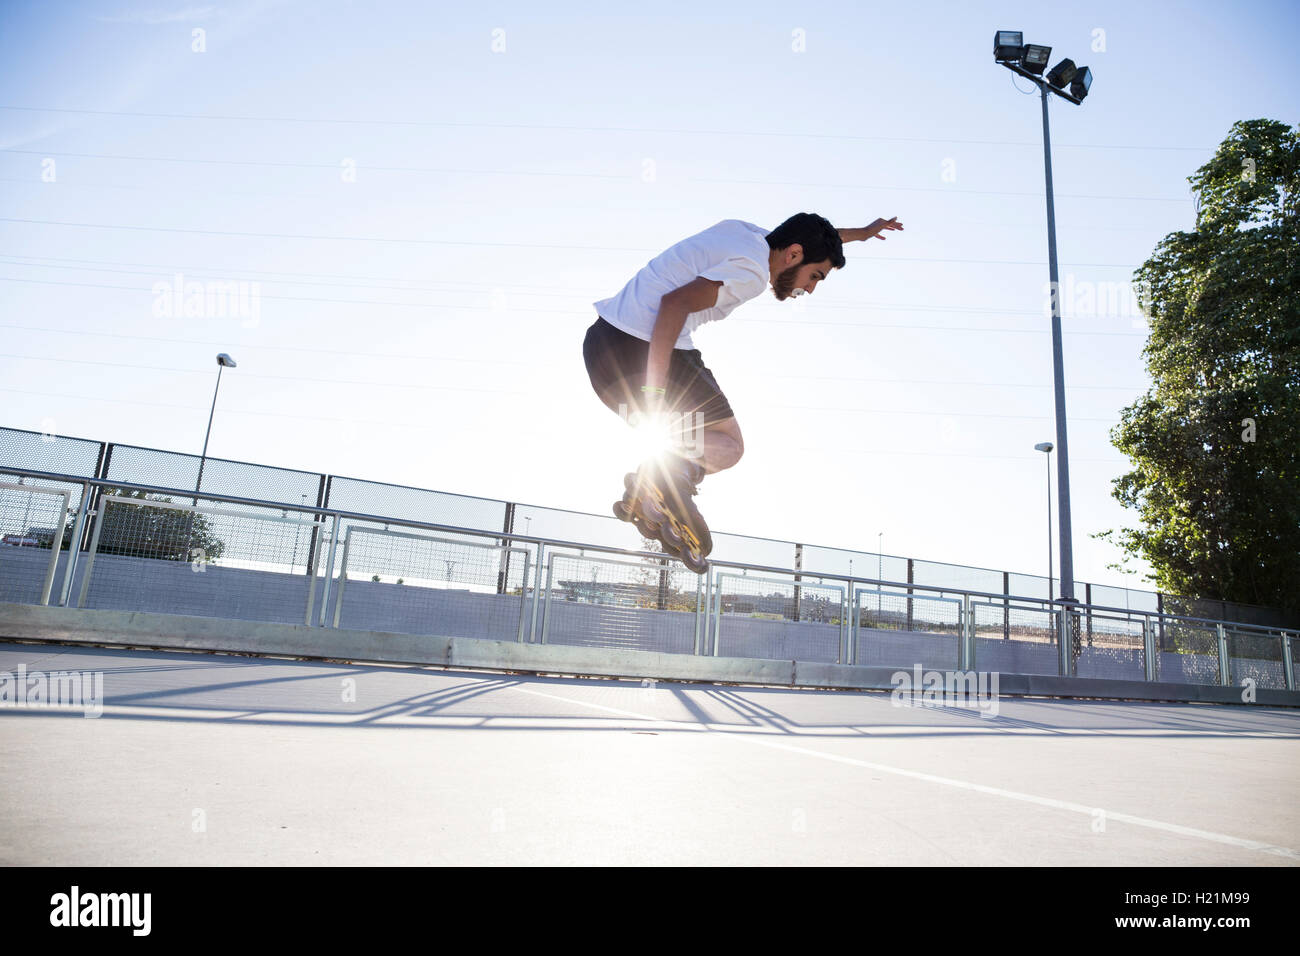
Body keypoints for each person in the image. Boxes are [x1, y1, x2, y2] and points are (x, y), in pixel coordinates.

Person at [583, 212, 903, 564]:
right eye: (815, 277)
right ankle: (664, 478)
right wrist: (655, 394)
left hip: (602, 355)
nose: (809, 288)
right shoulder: (752, 271)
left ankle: (653, 486)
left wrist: (864, 233)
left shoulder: (747, 234)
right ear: (793, 255)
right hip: (643, 350)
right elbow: (673, 305)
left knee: (699, 437)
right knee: (729, 446)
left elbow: (821, 236)